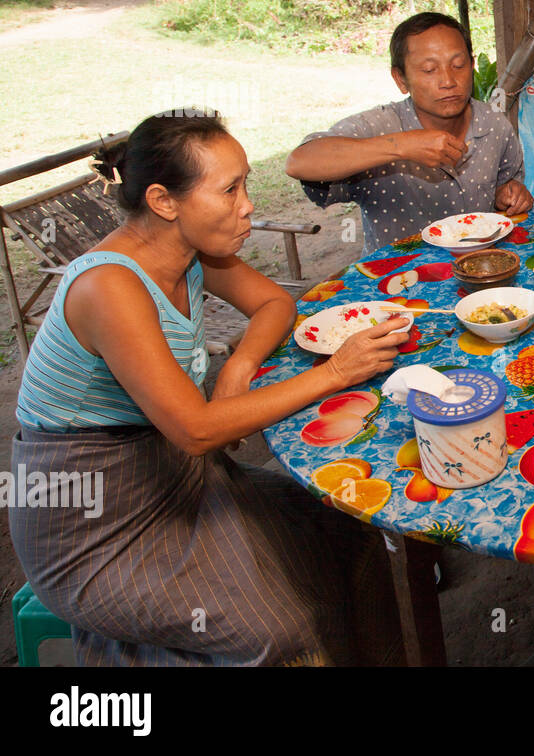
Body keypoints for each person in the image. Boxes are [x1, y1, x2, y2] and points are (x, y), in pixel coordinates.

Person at [11, 111, 407, 665]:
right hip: (95, 525)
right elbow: (196, 430)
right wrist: (336, 372)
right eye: (229, 189)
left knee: (350, 531)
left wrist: (238, 367)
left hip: (178, 476)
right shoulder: (110, 287)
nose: (248, 204)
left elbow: (275, 303)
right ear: (163, 200)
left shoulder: (190, 251)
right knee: (276, 631)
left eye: (244, 183)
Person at [286, 12, 533, 252]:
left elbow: (506, 187)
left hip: (479, 271)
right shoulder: (381, 126)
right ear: (401, 79)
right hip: (397, 284)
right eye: (429, 70)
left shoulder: (494, 126)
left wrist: (508, 194)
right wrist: (401, 146)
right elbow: (300, 162)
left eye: (458, 65)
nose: (448, 80)